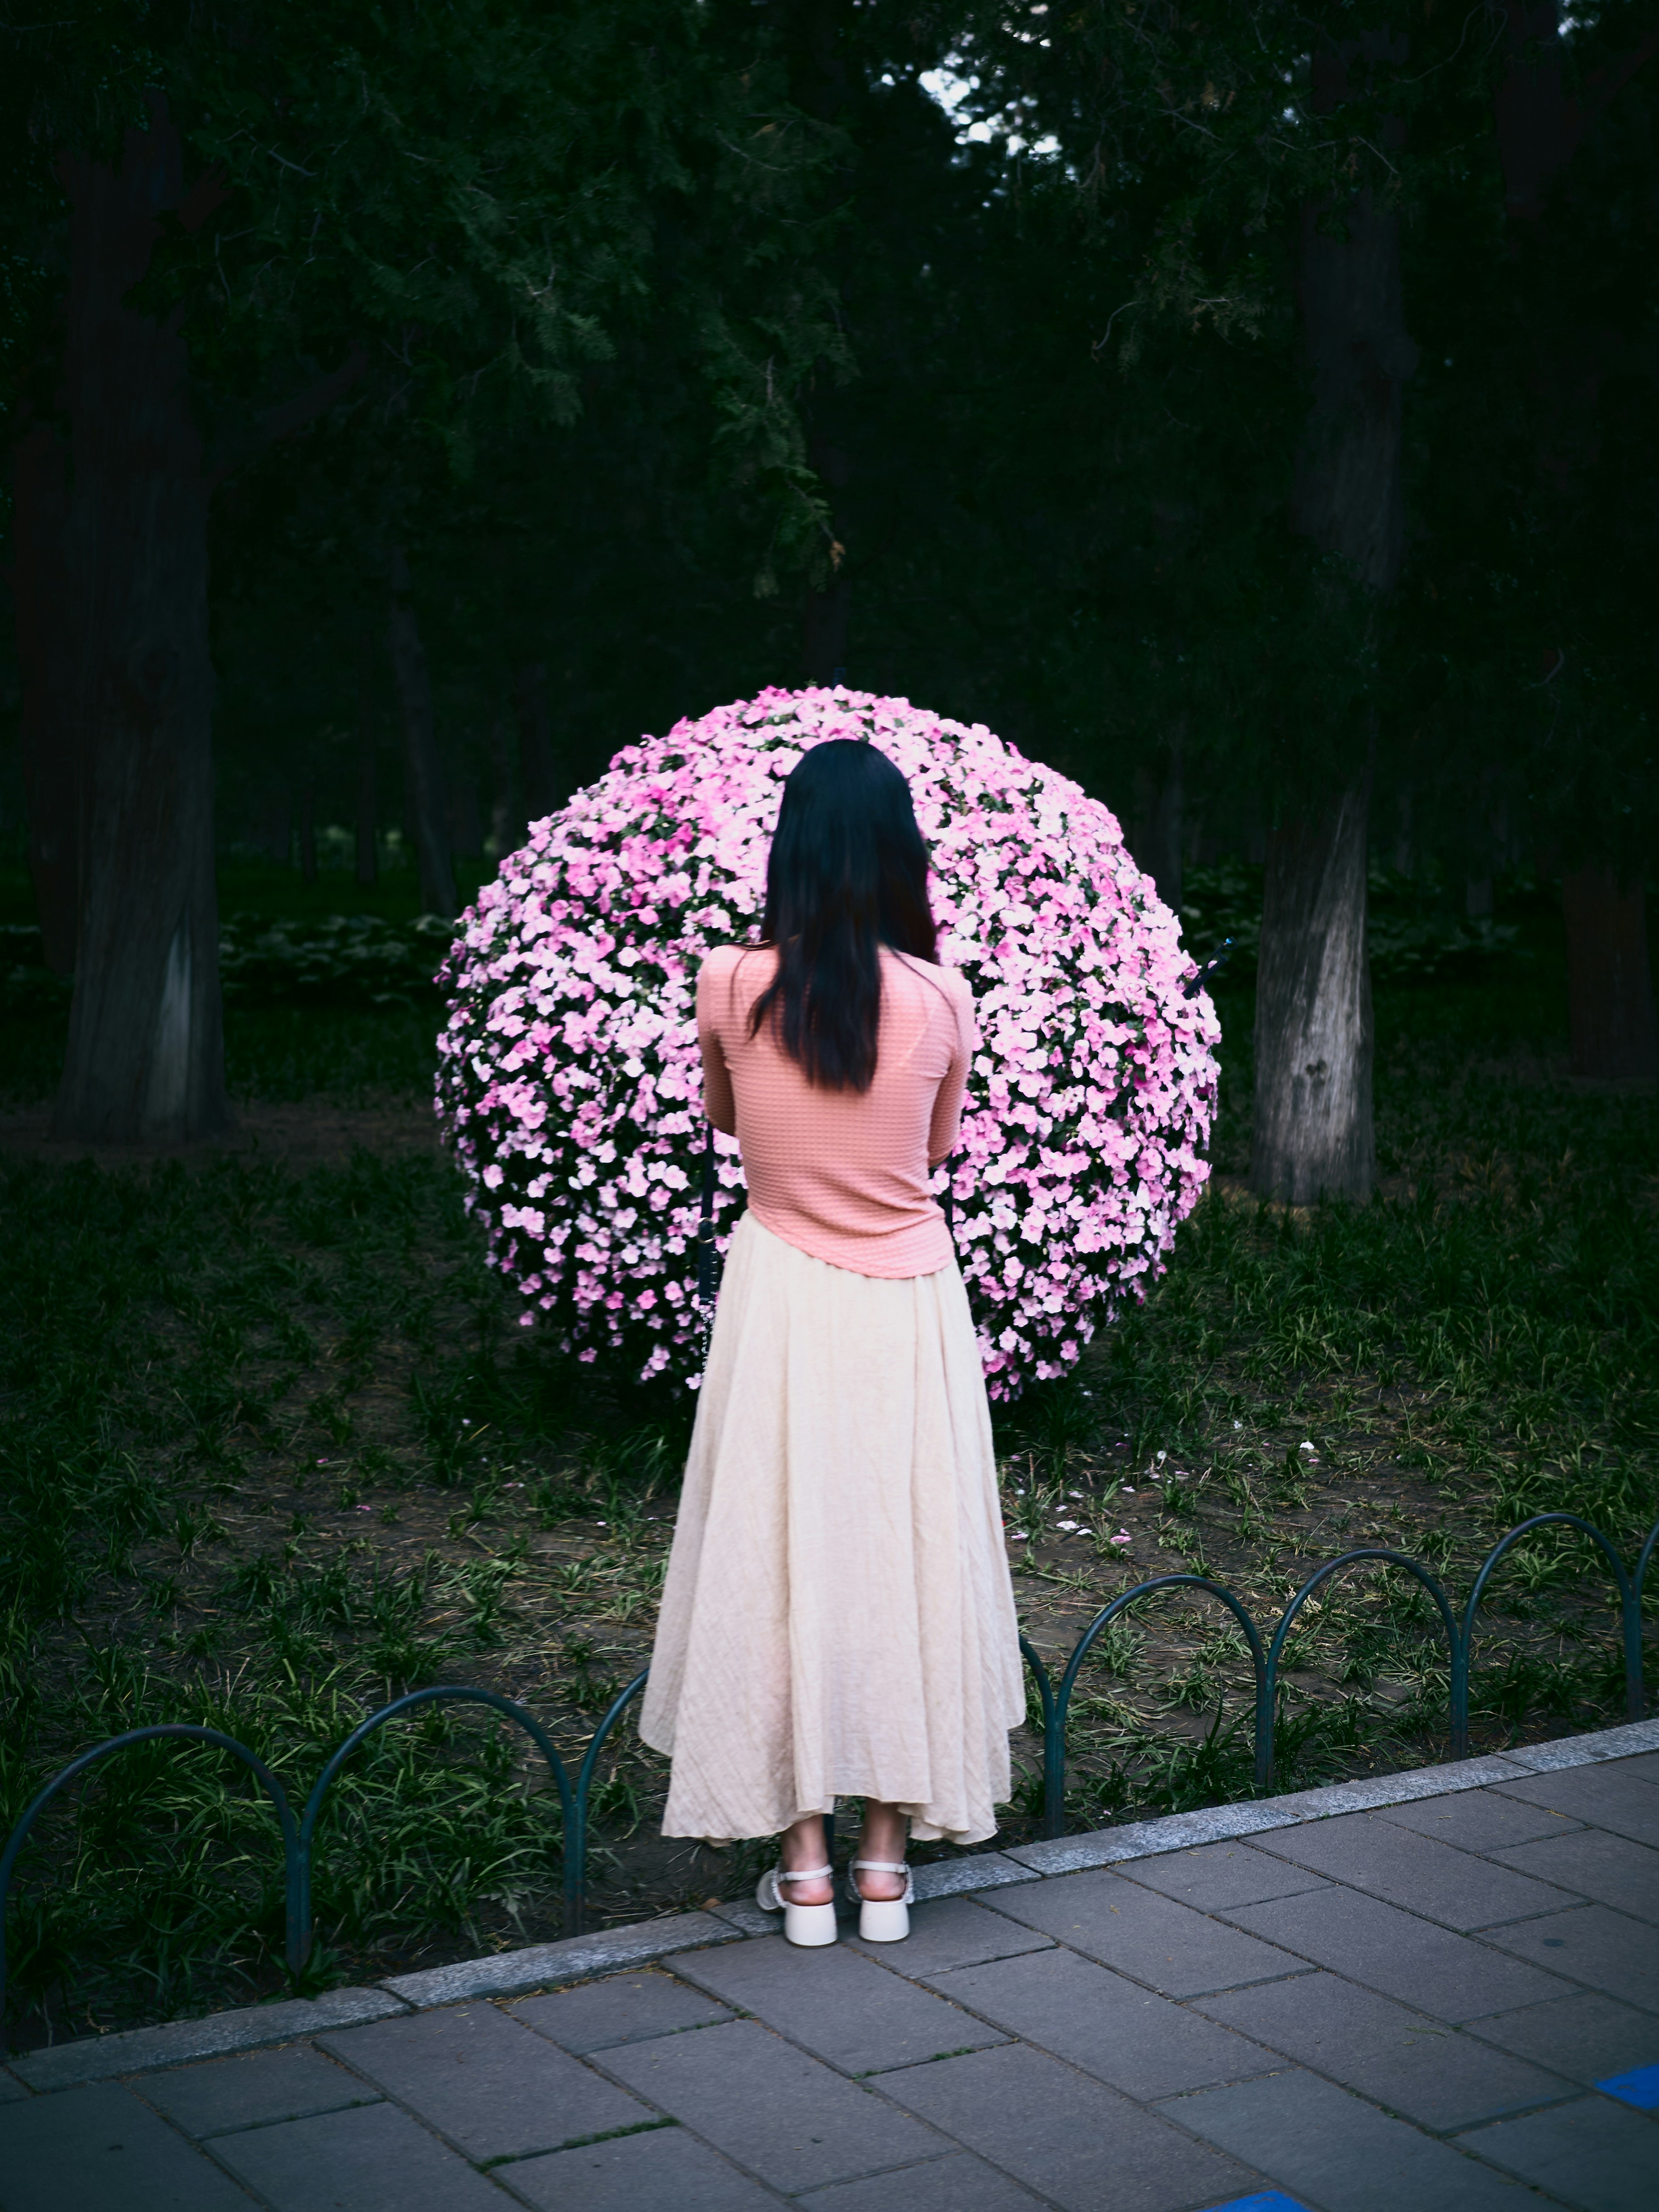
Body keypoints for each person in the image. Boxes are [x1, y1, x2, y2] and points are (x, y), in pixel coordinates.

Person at [639, 738, 1024, 1945]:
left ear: (790, 854)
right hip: (906, 1305)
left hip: (783, 1301)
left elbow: (723, 1114)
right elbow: (934, 1153)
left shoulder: (728, 983)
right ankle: (882, 1865)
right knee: (903, 1563)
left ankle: (800, 1868)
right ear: (902, 856)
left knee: (777, 1558)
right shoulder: (944, 999)